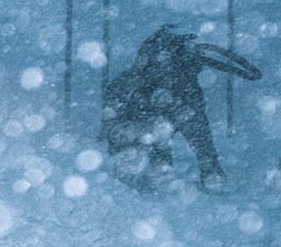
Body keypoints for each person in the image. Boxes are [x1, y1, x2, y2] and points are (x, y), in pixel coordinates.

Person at [102, 25, 262, 192]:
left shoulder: (179, 83)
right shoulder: (135, 82)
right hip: (151, 118)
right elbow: (115, 116)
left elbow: (193, 120)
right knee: (162, 133)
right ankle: (170, 173)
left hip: (165, 115)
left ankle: (170, 173)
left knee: (174, 130)